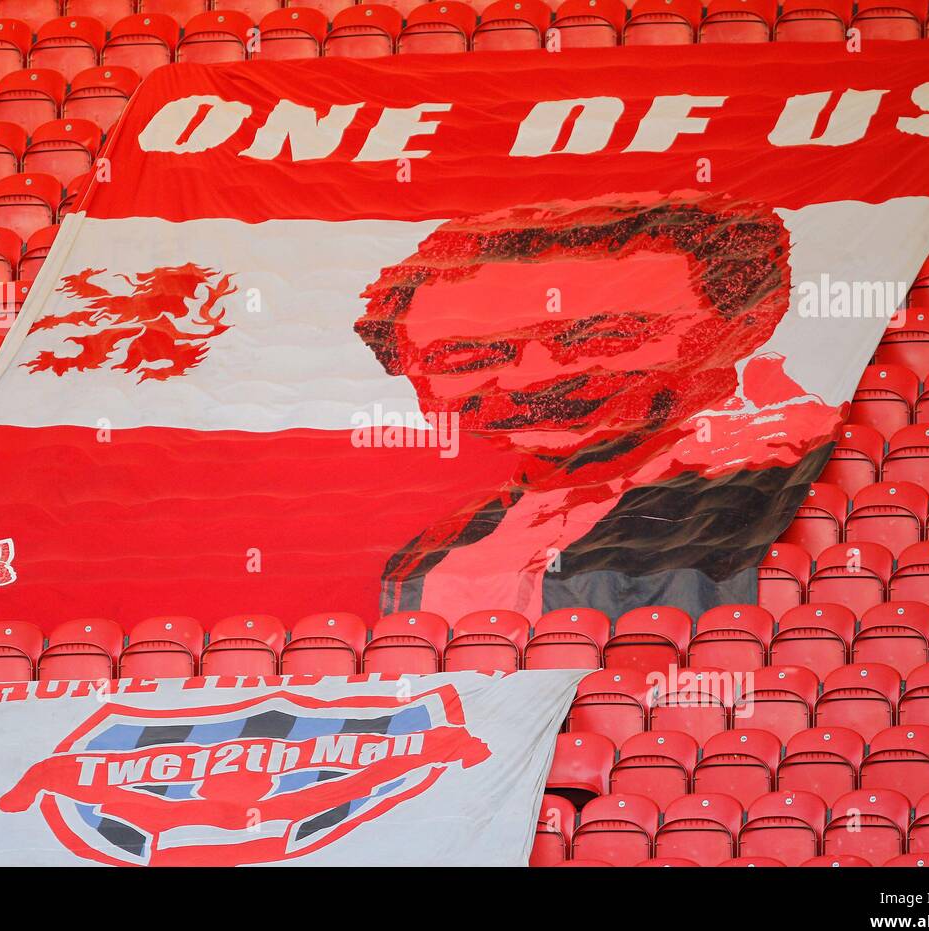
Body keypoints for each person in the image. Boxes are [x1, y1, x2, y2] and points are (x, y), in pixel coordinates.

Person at [354, 193, 842, 616]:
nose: (539, 376)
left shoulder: (802, 489)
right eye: (469, 356)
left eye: (605, 337)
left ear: (746, 324)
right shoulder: (437, 550)